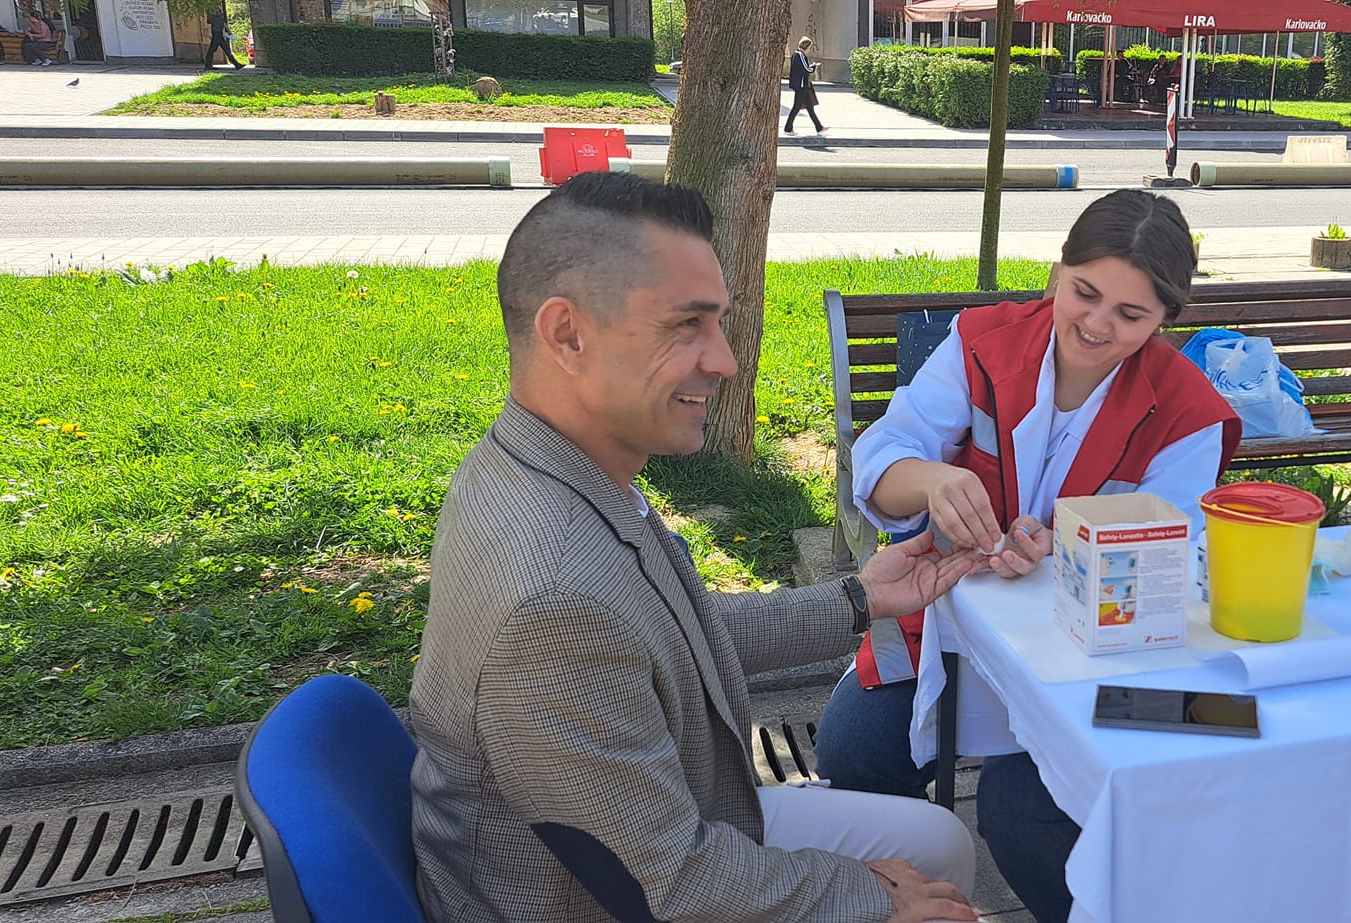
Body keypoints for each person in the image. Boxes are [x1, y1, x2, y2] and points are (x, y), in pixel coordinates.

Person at [408, 172, 984, 923]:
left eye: (719, 323)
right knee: (937, 894)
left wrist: (861, 597)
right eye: (687, 325)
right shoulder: (552, 600)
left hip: (655, 829)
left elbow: (668, 633)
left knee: (938, 843)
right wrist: (870, 897)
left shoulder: (540, 466)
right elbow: (673, 884)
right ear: (566, 334)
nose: (726, 361)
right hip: (589, 896)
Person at [815, 190, 1241, 922]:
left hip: (1089, 657)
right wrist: (935, 480)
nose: (1097, 325)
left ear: (1167, 321)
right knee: (850, 748)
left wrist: (1069, 552)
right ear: (1055, 272)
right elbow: (886, 456)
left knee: (1020, 811)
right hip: (950, 630)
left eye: (1131, 315)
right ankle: (913, 897)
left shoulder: (1188, 411)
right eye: (1085, 292)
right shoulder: (983, 343)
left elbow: (1167, 555)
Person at [785, 36, 825, 135]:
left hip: (802, 85)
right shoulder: (800, 55)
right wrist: (814, 67)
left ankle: (819, 127)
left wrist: (811, 67)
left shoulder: (797, 55)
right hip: (801, 85)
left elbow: (804, 67)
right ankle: (788, 128)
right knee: (797, 107)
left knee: (809, 107)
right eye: (809, 48)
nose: (809, 50)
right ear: (805, 47)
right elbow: (806, 69)